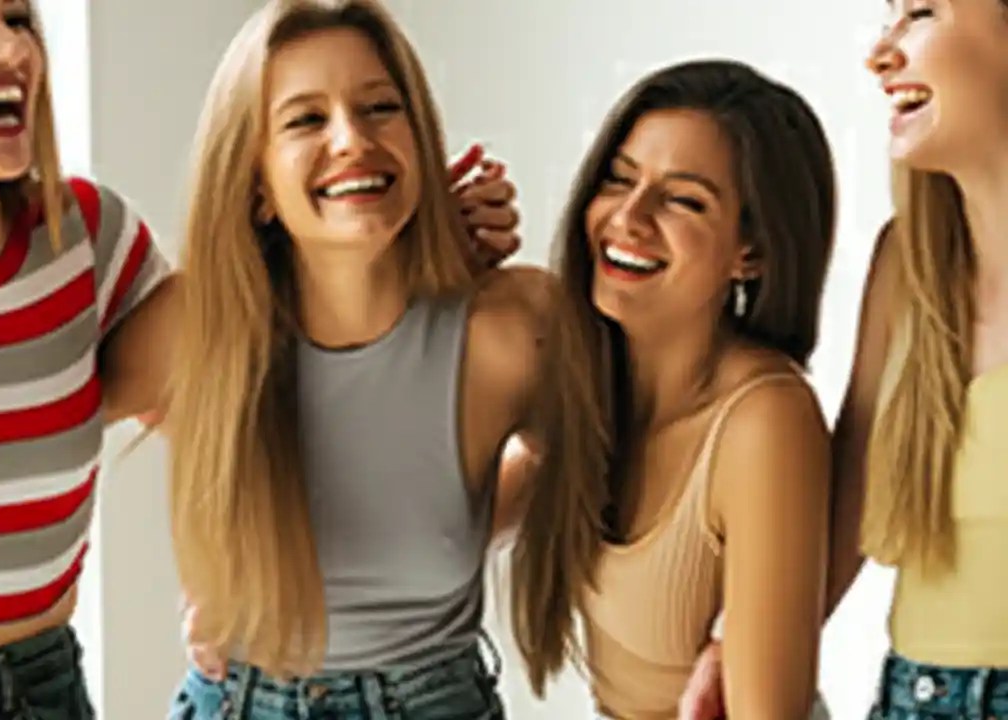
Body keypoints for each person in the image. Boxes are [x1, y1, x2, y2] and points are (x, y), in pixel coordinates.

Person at [0, 0, 517, 717]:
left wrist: (396, 226)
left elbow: (242, 382)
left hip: (43, 687)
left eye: (20, 19)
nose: (11, 47)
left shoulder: (89, 243)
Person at [162, 1, 611, 718]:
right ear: (253, 182)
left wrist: (458, 520)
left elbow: (617, 462)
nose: (352, 139)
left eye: (379, 107)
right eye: (306, 119)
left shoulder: (516, 326)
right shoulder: (193, 330)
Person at [680, 2, 1008, 718]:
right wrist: (740, 645)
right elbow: (852, 485)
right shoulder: (907, 264)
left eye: (920, 13)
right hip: (916, 698)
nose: (881, 54)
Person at [498, 59, 837, 718]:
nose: (628, 217)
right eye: (620, 180)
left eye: (682, 199)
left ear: (753, 252)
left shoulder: (763, 420)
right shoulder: (582, 385)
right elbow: (433, 540)